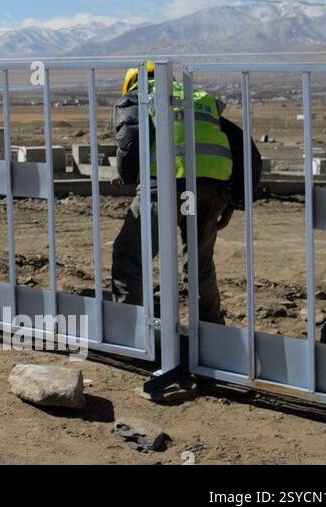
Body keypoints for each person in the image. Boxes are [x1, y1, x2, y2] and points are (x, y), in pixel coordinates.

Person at [110, 63, 258, 324]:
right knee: (200, 264)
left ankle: (129, 332)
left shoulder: (140, 96)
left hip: (165, 187)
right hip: (212, 189)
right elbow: (243, 146)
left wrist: (128, 175)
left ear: (132, 83)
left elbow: (129, 140)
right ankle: (211, 334)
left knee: (130, 256)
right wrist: (234, 199)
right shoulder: (197, 99)